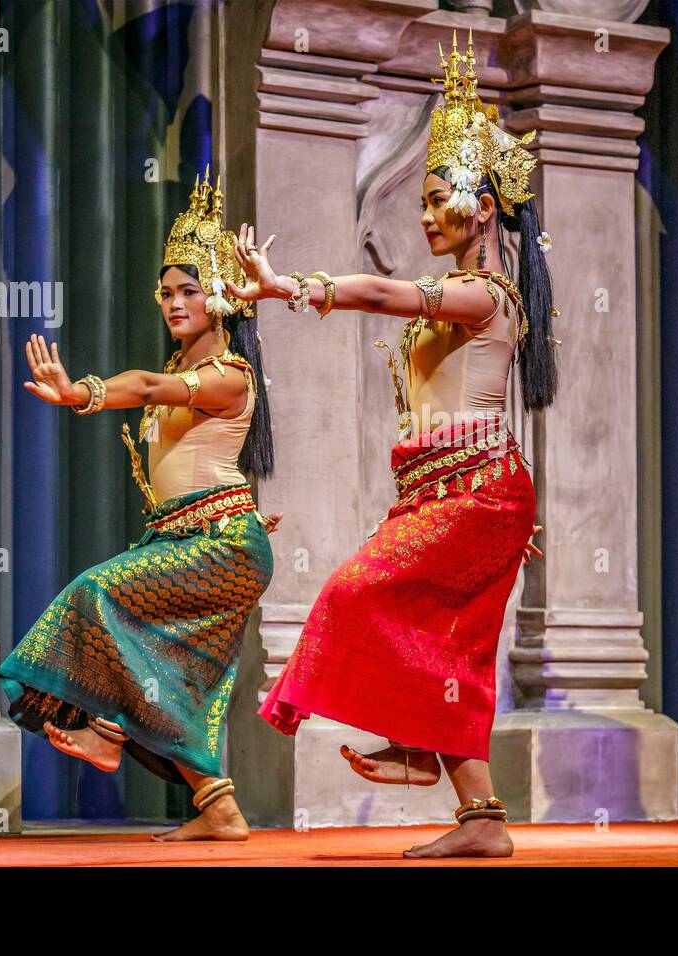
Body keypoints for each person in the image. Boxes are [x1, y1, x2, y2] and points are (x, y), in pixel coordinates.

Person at [227, 31, 556, 858]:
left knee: (350, 594)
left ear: (482, 208)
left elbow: (381, 290)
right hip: (459, 493)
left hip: (478, 492)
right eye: (420, 197)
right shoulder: (466, 293)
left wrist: (287, 287)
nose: (422, 210)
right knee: (448, 645)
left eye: (436, 196)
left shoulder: (481, 293)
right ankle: (480, 818)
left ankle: (421, 746)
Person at [0, 170, 280, 842]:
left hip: (222, 546)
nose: (174, 302)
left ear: (221, 298)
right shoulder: (185, 372)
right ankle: (219, 807)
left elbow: (150, 383)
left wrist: (83, 393)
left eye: (189, 290)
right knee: (166, 680)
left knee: (94, 593)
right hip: (186, 540)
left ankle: (99, 734)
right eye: (166, 291)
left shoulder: (227, 376)